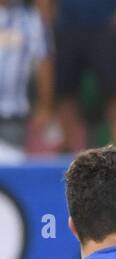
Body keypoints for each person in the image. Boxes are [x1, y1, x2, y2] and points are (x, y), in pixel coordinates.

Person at [52, 0, 116, 153]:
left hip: (106, 25)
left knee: (114, 91)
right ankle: (69, 149)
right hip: (67, 25)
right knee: (65, 91)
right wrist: (50, 18)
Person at [0, 0, 53, 152]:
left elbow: (44, 63)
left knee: (10, 169)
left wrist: (44, 106)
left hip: (12, 115)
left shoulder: (30, 19)